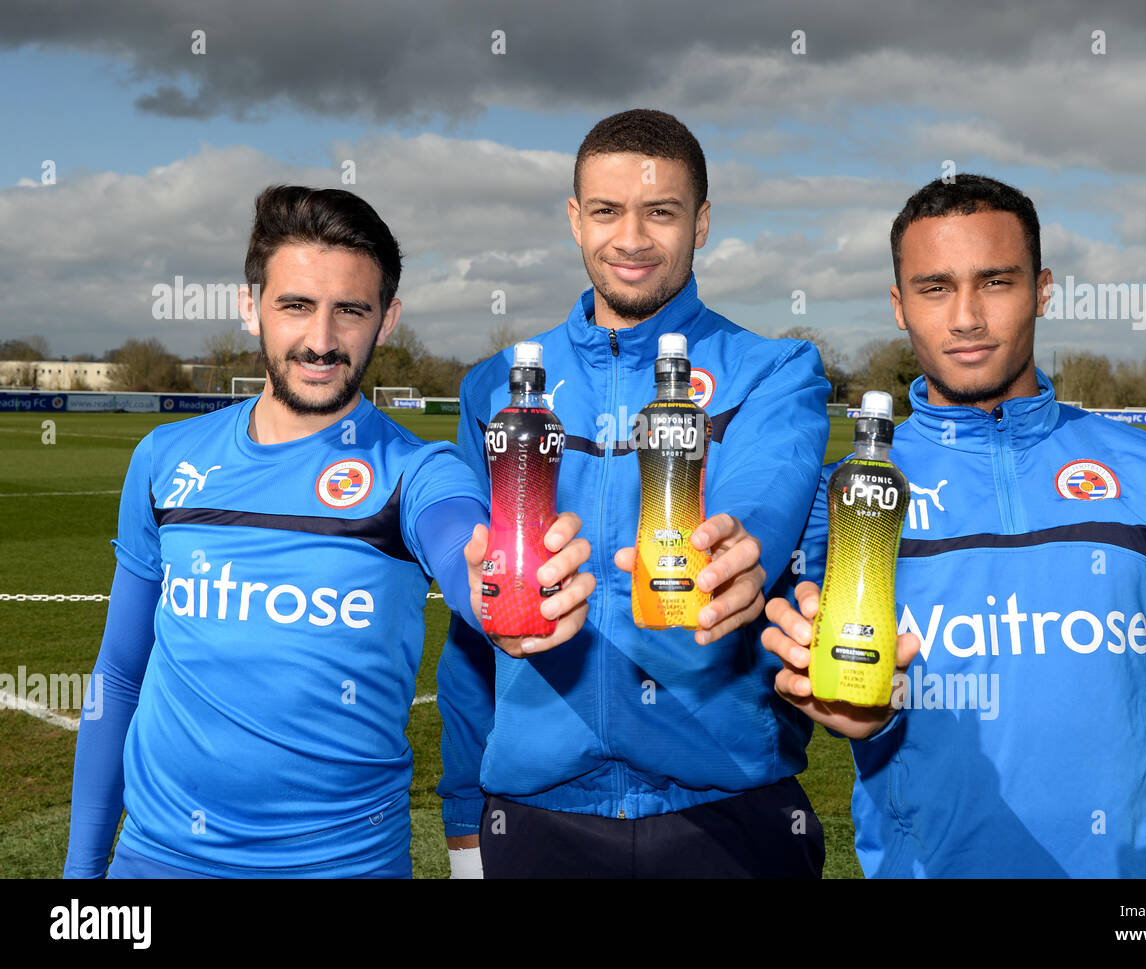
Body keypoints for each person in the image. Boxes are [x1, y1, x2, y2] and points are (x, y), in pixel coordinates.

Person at [63, 185, 592, 878]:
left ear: (388, 319)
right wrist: (81, 876)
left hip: (343, 866)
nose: (320, 339)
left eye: (350, 310)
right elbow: (120, 675)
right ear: (251, 308)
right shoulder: (166, 459)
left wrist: (498, 592)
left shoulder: (418, 471)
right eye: (295, 305)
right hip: (156, 864)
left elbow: (462, 543)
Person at [763, 174, 1146, 877]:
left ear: (1041, 289)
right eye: (935, 287)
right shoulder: (849, 502)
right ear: (899, 303)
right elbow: (789, 699)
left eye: (996, 283)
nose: (967, 316)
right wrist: (862, 719)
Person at [437, 109, 832, 877]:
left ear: (703, 222)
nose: (632, 239)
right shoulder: (493, 389)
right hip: (539, 814)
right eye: (608, 211)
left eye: (661, 212)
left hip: (728, 810)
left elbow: (769, 493)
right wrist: (460, 813)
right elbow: (475, 621)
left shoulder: (775, 370)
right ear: (575, 220)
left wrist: (736, 548)